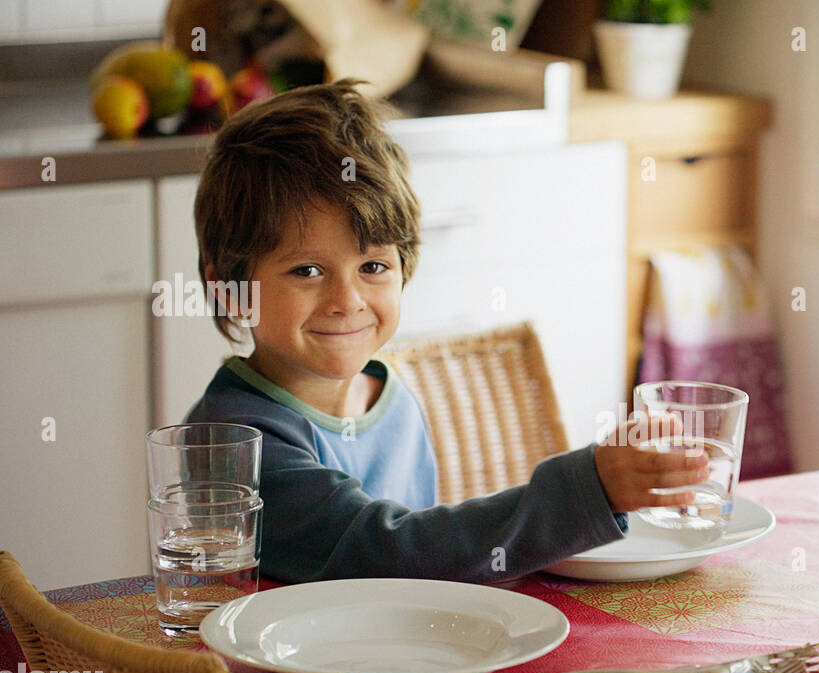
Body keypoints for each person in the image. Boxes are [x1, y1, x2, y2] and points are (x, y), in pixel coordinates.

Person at [185, 79, 705, 583]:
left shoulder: (391, 398)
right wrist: (590, 489)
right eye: (306, 271)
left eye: (373, 267)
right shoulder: (234, 442)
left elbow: (431, 568)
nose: (347, 302)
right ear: (230, 289)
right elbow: (387, 554)